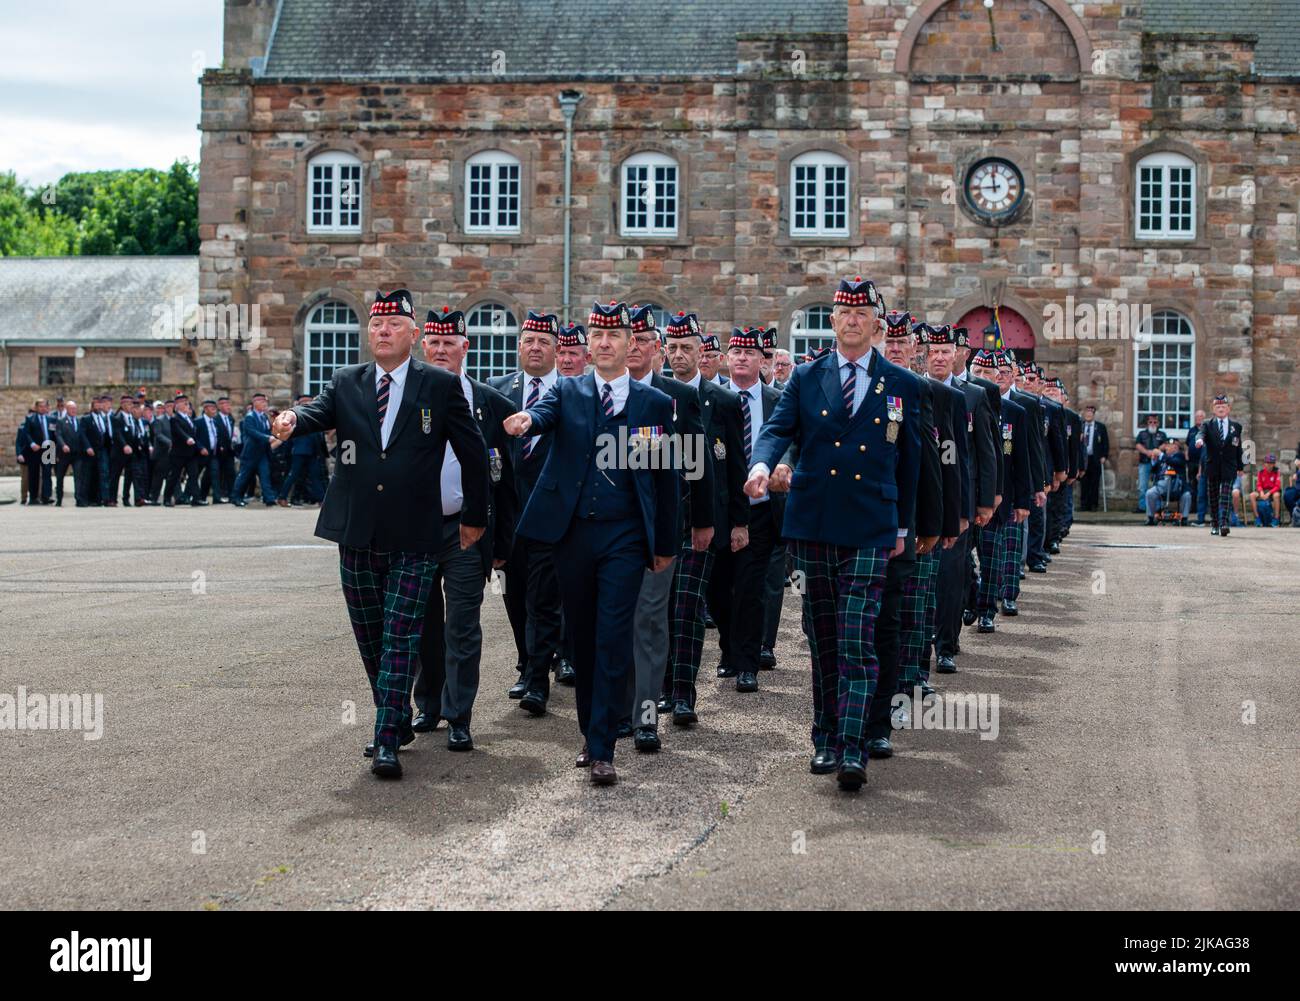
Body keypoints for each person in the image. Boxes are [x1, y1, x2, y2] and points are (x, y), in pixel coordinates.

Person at [272, 288, 489, 779]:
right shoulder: (348, 381)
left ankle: (386, 736)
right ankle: (395, 712)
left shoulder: (437, 385)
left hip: (416, 533)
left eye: (393, 326)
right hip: (357, 531)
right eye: (375, 325)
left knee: (400, 635)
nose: (383, 332)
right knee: (371, 637)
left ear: (413, 334)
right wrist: (290, 419)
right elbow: (317, 412)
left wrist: (475, 517)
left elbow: (473, 452)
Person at [745, 275, 922, 791]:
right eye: (843, 313)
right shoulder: (807, 376)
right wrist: (761, 465)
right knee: (822, 634)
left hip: (872, 523)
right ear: (833, 321)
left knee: (857, 635)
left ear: (876, 324)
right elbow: (777, 429)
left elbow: (910, 463)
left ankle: (853, 746)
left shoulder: (901, 384)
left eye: (861, 314)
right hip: (815, 519)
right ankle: (824, 734)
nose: (851, 321)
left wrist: (904, 526)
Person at [503, 300, 679, 788]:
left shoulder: (654, 405)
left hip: (624, 533)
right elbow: (542, 412)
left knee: (613, 633)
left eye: (614, 336)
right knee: (580, 637)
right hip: (574, 533)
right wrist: (527, 422)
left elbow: (664, 479)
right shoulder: (569, 390)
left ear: (631, 344)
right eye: (596, 335)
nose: (604, 343)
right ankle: (589, 733)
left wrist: (665, 541)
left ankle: (604, 747)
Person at [411, 307, 517, 750]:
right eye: (433, 343)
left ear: (464, 348)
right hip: (414, 529)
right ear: (423, 346)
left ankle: (459, 715)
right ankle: (428, 705)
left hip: (467, 531)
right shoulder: (408, 396)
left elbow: (507, 477)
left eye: (448, 344)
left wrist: (502, 540)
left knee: (462, 625)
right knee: (422, 624)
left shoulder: (490, 402)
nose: (440, 350)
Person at [621, 304, 713, 748]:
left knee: (651, 621)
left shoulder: (677, 397)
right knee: (613, 622)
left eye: (641, 341)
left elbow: (696, 465)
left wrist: (702, 521)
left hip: (659, 527)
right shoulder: (597, 392)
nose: (633, 348)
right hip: (607, 531)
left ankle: (645, 715)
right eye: (628, 339)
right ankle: (620, 709)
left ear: (654, 348)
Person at [662, 311, 749, 734]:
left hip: (703, 521)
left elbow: (735, 465)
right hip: (660, 520)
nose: (679, 356)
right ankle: (662, 686)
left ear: (702, 353)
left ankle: (683, 694)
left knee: (687, 608)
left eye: (687, 349)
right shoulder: (656, 396)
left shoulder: (724, 401)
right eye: (673, 348)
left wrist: (738, 521)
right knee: (657, 609)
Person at [489, 312, 564, 704]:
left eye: (543, 342)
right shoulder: (499, 390)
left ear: (556, 349)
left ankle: (538, 678)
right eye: (529, 340)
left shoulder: (572, 392)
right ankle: (525, 662)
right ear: (519, 347)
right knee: (512, 594)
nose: (535, 348)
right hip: (508, 514)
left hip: (553, 513)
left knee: (544, 598)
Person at [971, 349, 1032, 634]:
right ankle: (970, 597)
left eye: (987, 374)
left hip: (998, 495)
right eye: (977, 373)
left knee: (992, 556)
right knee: (960, 561)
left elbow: (1021, 460)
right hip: (967, 493)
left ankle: (986, 609)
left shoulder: (1015, 413)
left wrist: (1023, 500)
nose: (981, 379)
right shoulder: (963, 400)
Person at [1200, 394, 1244, 537]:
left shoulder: (1236, 427)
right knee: (1213, 497)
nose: (1220, 409)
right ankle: (1214, 523)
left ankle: (1224, 524)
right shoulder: (1207, 424)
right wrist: (1199, 440)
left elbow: (1238, 447)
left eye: (1223, 406)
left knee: (1225, 496)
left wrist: (1240, 467)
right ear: (1213, 409)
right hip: (1212, 466)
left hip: (1229, 467)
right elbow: (1201, 434)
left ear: (1228, 409)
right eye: (1217, 406)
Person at [276, 394, 326, 506]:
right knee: (293, 475)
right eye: (305, 402)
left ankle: (321, 499)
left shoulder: (313, 414)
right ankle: (282, 497)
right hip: (299, 451)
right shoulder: (295, 415)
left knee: (315, 476)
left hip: (312, 451)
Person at [231, 394, 280, 507]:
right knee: (244, 476)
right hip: (251, 453)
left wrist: (272, 436)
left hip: (262, 453)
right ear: (255, 403)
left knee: (265, 475)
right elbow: (252, 432)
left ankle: (269, 498)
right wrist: (268, 438)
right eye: (262, 402)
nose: (265, 404)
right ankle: (236, 497)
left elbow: (268, 431)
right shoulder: (250, 417)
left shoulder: (264, 417)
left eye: (265, 402)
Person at [1144, 438, 1191, 525]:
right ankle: (1150, 518)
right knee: (1149, 493)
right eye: (1167, 446)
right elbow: (1154, 470)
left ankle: (1184, 518)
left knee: (1187, 495)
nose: (1167, 448)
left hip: (1176, 487)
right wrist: (1154, 459)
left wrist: (1160, 454)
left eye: (1171, 446)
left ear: (1176, 448)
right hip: (1162, 486)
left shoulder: (1179, 456)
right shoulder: (1162, 458)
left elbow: (1173, 462)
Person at [21, 399, 55, 505]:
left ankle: (46, 496)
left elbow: (54, 435)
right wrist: (32, 444)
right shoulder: (30, 419)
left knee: (47, 473)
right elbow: (26, 433)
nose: (43, 408)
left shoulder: (52, 419)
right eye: (40, 406)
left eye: (45, 406)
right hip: (35, 449)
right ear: (36, 408)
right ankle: (34, 497)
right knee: (34, 474)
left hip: (48, 448)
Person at [1135, 414, 1167, 513]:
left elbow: (1165, 445)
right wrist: (1147, 452)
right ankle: (1142, 507)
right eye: (1150, 422)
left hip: (1158, 465)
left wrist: (1156, 451)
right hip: (1144, 462)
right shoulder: (1142, 434)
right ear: (1147, 423)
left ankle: (1157, 508)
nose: (1153, 424)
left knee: (1157, 486)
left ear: (1158, 423)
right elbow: (1138, 445)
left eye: (1155, 422)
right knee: (1142, 486)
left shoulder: (1162, 434)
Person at [1080, 404, 1109, 510]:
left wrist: (1104, 456)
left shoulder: (1100, 427)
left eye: (1090, 413)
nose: (1088, 414)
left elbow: (1105, 443)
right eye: (1086, 412)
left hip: (1095, 458)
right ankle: (1084, 504)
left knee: (1095, 482)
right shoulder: (1080, 425)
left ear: (1093, 414)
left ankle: (1093, 504)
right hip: (1083, 458)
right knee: (1083, 482)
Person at [51, 400, 80, 506]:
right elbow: (58, 435)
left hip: (76, 453)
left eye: (75, 409)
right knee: (60, 477)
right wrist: (63, 445)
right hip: (64, 454)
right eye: (71, 409)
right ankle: (59, 499)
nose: (74, 411)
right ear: (67, 409)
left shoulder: (79, 421)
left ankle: (79, 499)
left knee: (78, 476)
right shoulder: (61, 421)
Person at [1185, 408, 1207, 525]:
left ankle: (1208, 514)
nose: (1199, 418)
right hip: (1194, 462)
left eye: (1200, 416)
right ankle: (1195, 511)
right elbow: (1188, 444)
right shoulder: (1192, 430)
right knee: (1193, 486)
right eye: (1197, 417)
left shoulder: (1206, 430)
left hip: (1205, 464)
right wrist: (1187, 454)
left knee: (1204, 490)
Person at [1250, 454, 1282, 526]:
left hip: (1272, 491)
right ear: (1264, 463)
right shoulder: (1261, 472)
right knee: (1252, 495)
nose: (1269, 465)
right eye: (1267, 463)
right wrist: (1261, 492)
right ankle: (1257, 519)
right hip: (1263, 491)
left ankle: (1276, 519)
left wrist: (1269, 493)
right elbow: (1259, 484)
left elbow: (1277, 486)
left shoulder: (1277, 472)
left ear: (1274, 464)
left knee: (1277, 495)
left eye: (1271, 463)